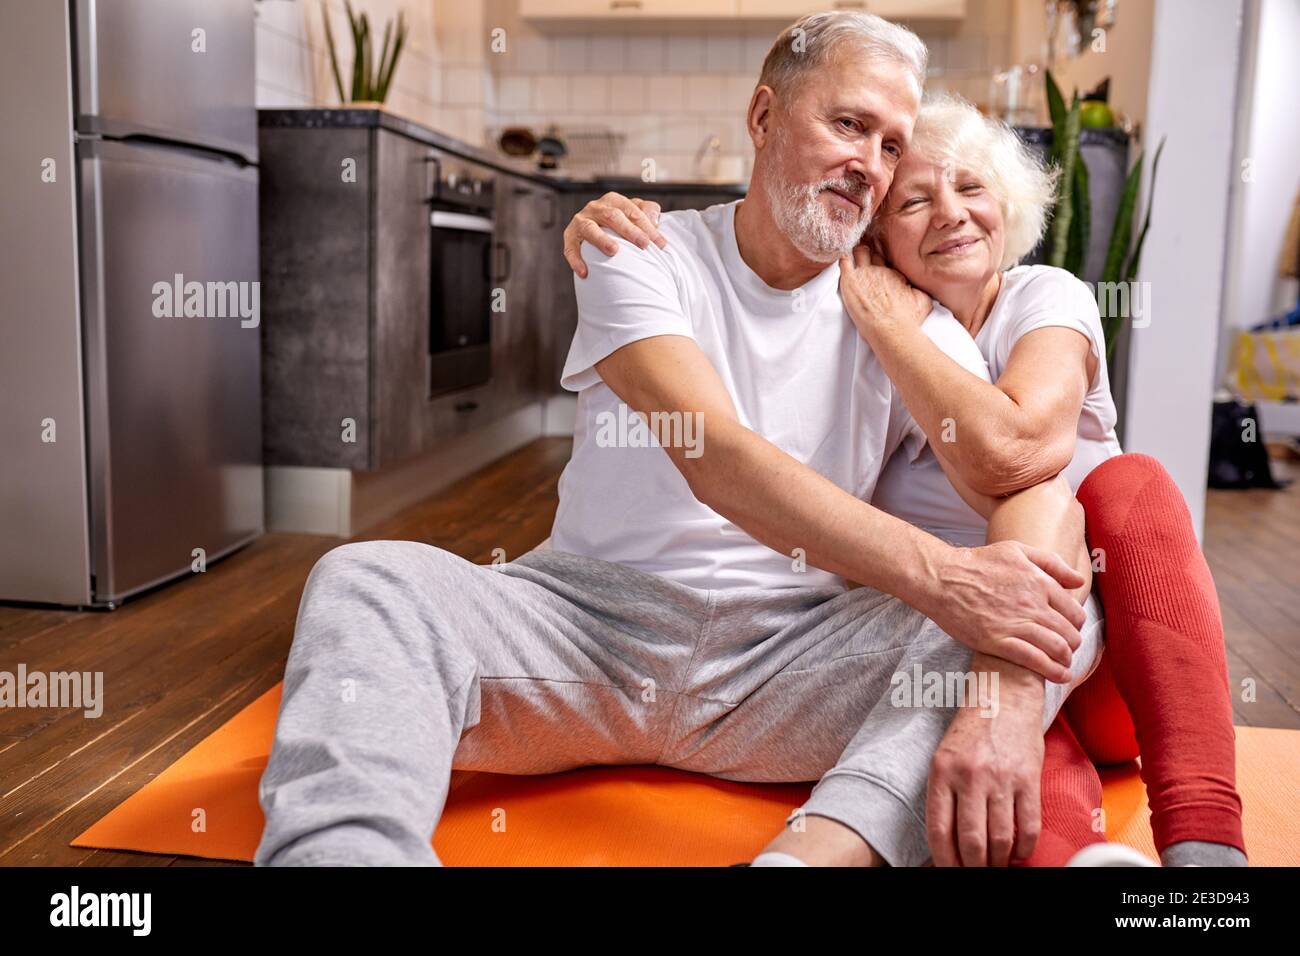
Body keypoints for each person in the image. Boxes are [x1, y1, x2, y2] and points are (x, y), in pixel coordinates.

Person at [255, 10, 1098, 868]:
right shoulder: (639, 249)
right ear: (764, 116)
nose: (869, 165)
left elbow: (1031, 489)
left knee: (1052, 608)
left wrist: (1003, 686)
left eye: (891, 145)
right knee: (366, 581)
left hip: (792, 663)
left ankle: (813, 859)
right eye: (848, 124)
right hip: (582, 634)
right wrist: (949, 578)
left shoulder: (901, 319)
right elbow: (715, 457)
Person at [567, 92, 1247, 867]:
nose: (951, 214)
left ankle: (1207, 850)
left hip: (1106, 661)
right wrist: (608, 219)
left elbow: (1014, 453)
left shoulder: (1043, 296)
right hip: (962, 657)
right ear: (876, 236)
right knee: (970, 693)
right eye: (915, 200)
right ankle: (1075, 861)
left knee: (1129, 483)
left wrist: (890, 324)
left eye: (971, 189)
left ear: (1008, 206)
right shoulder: (851, 332)